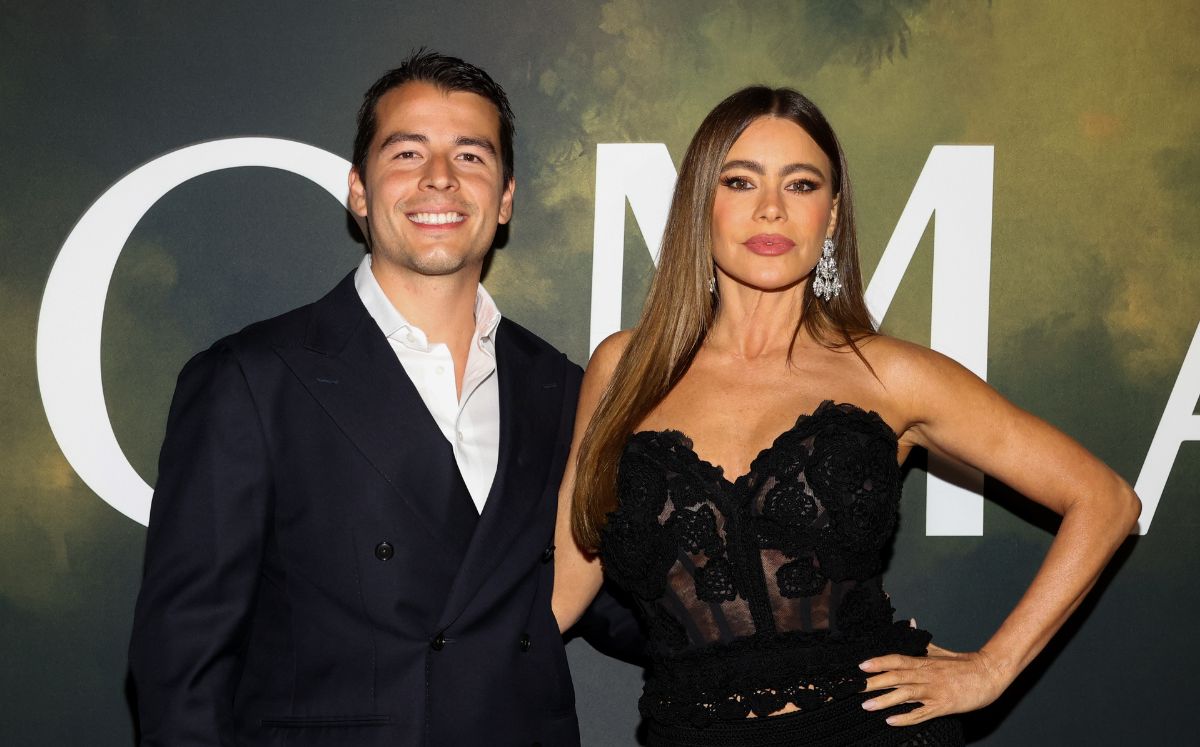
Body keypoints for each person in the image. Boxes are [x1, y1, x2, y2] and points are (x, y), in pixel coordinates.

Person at [551, 86, 1141, 746]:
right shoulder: (625, 368)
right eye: (741, 181)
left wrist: (992, 668)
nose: (771, 207)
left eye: (800, 184)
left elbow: (1105, 499)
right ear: (700, 205)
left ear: (830, 216)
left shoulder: (887, 374)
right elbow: (564, 591)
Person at [129, 50, 639, 747]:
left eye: (470, 155)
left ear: (506, 198)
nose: (440, 177)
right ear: (359, 191)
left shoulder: (561, 388)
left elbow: (621, 599)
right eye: (407, 153)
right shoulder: (251, 379)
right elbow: (181, 665)